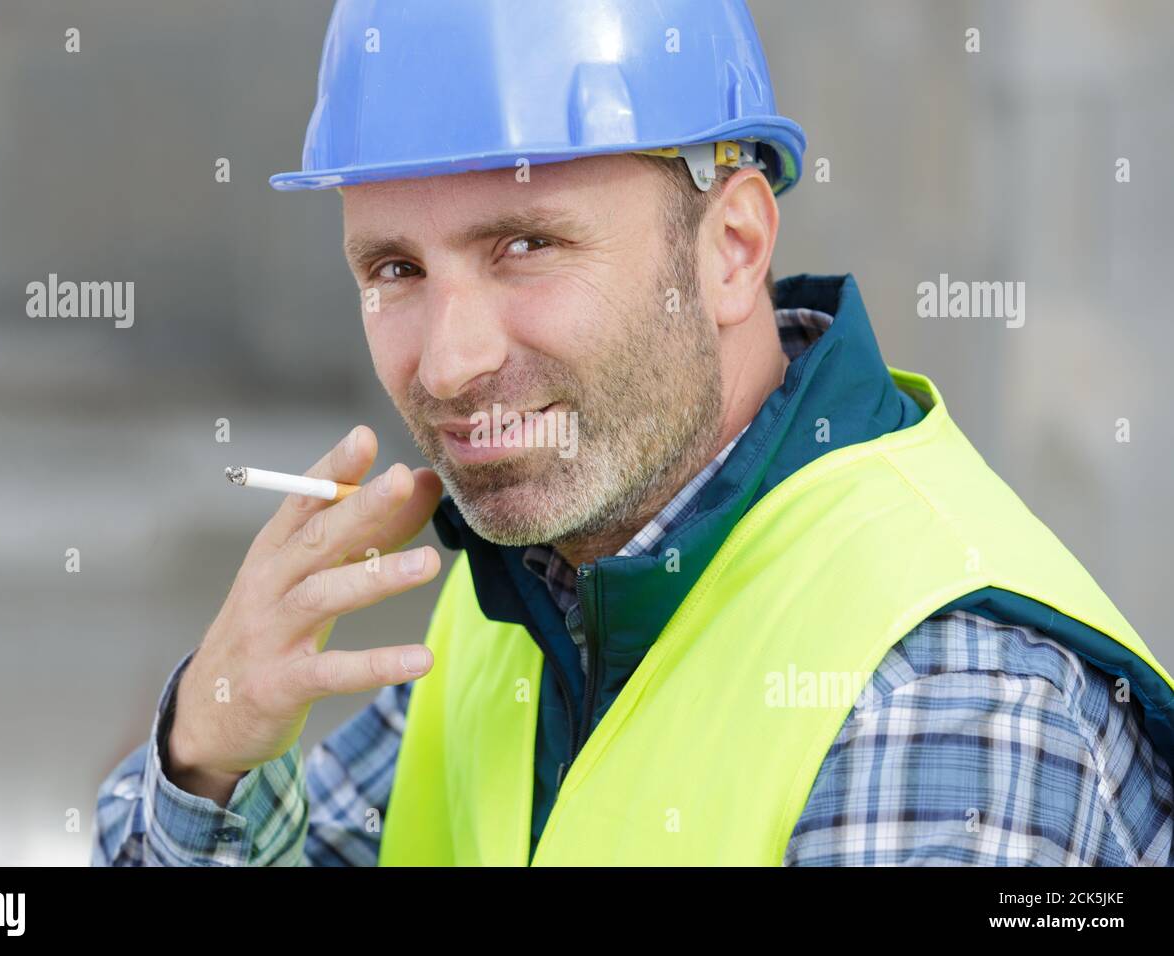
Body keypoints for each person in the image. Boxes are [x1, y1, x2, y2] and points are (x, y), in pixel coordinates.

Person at [93, 0, 1173, 865]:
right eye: (394, 269)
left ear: (732, 248)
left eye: (525, 245)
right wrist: (204, 752)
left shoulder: (949, 710)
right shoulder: (538, 594)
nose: (449, 361)